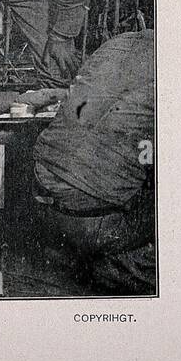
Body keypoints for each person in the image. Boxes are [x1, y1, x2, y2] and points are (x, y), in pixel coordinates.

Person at [33, 30, 155, 293]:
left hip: (43, 196)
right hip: (96, 219)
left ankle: (71, 250)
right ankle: (125, 264)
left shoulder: (120, 43)